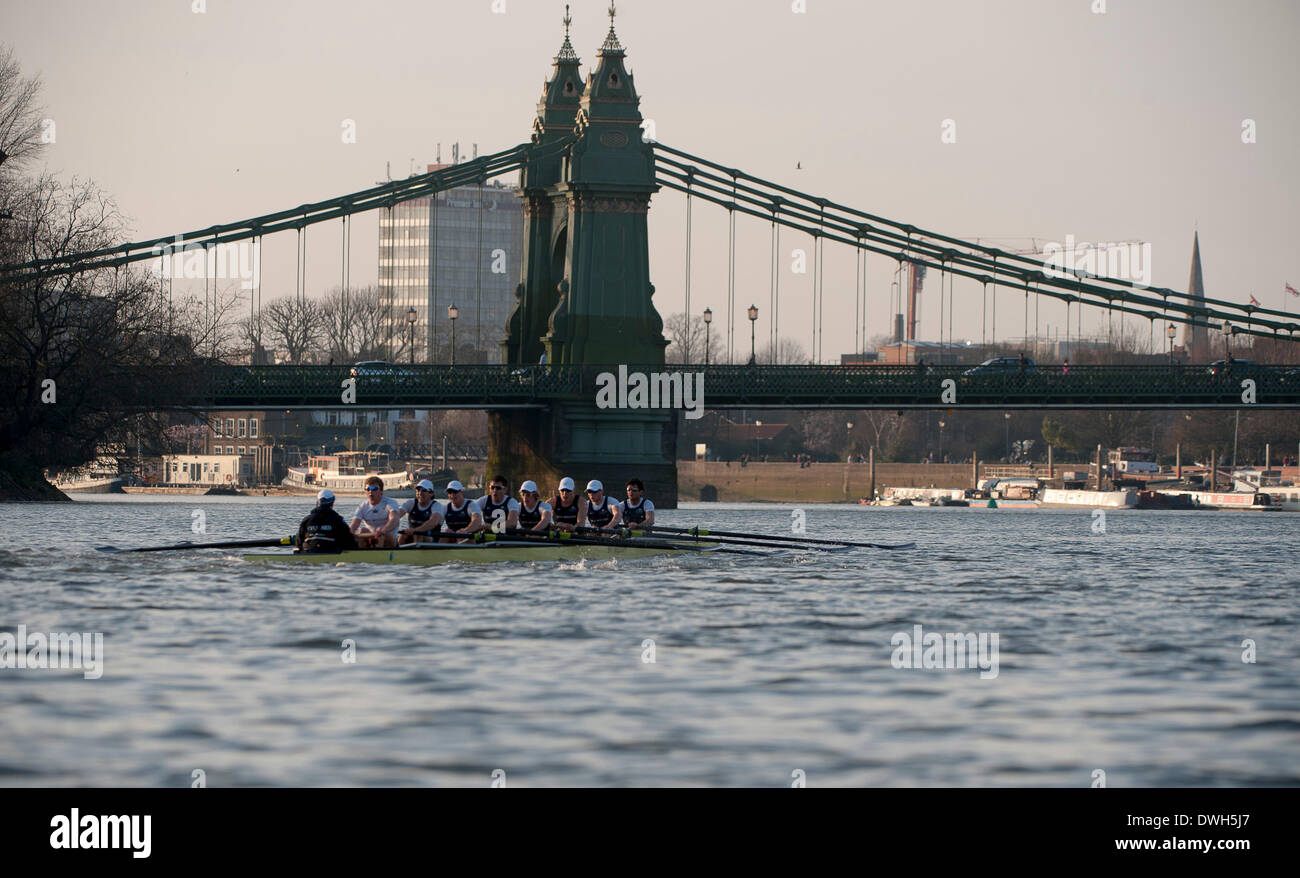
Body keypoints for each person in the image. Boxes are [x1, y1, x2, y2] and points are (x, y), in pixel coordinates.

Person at [297, 489, 358, 553]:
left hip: (309, 551)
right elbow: (349, 539)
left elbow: (299, 542)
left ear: (318, 502)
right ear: (332, 503)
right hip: (330, 551)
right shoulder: (338, 520)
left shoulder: (306, 519)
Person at [350, 476, 401, 548]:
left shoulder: (390, 503)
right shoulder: (363, 506)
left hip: (389, 540)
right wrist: (350, 533)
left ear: (381, 491)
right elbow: (354, 524)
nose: (371, 492)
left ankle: (378, 555)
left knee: (380, 532)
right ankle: (361, 555)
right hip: (371, 537)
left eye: (374, 489)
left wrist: (383, 530)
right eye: (368, 489)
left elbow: (394, 520)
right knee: (362, 531)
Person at [398, 479, 443, 545]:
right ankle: (397, 553)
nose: (420, 493)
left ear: (431, 493)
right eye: (418, 490)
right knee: (403, 535)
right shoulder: (410, 503)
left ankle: (417, 554)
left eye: (424, 490)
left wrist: (415, 530)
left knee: (418, 534)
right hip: (413, 536)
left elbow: (433, 522)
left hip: (431, 540)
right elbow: (396, 515)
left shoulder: (437, 506)